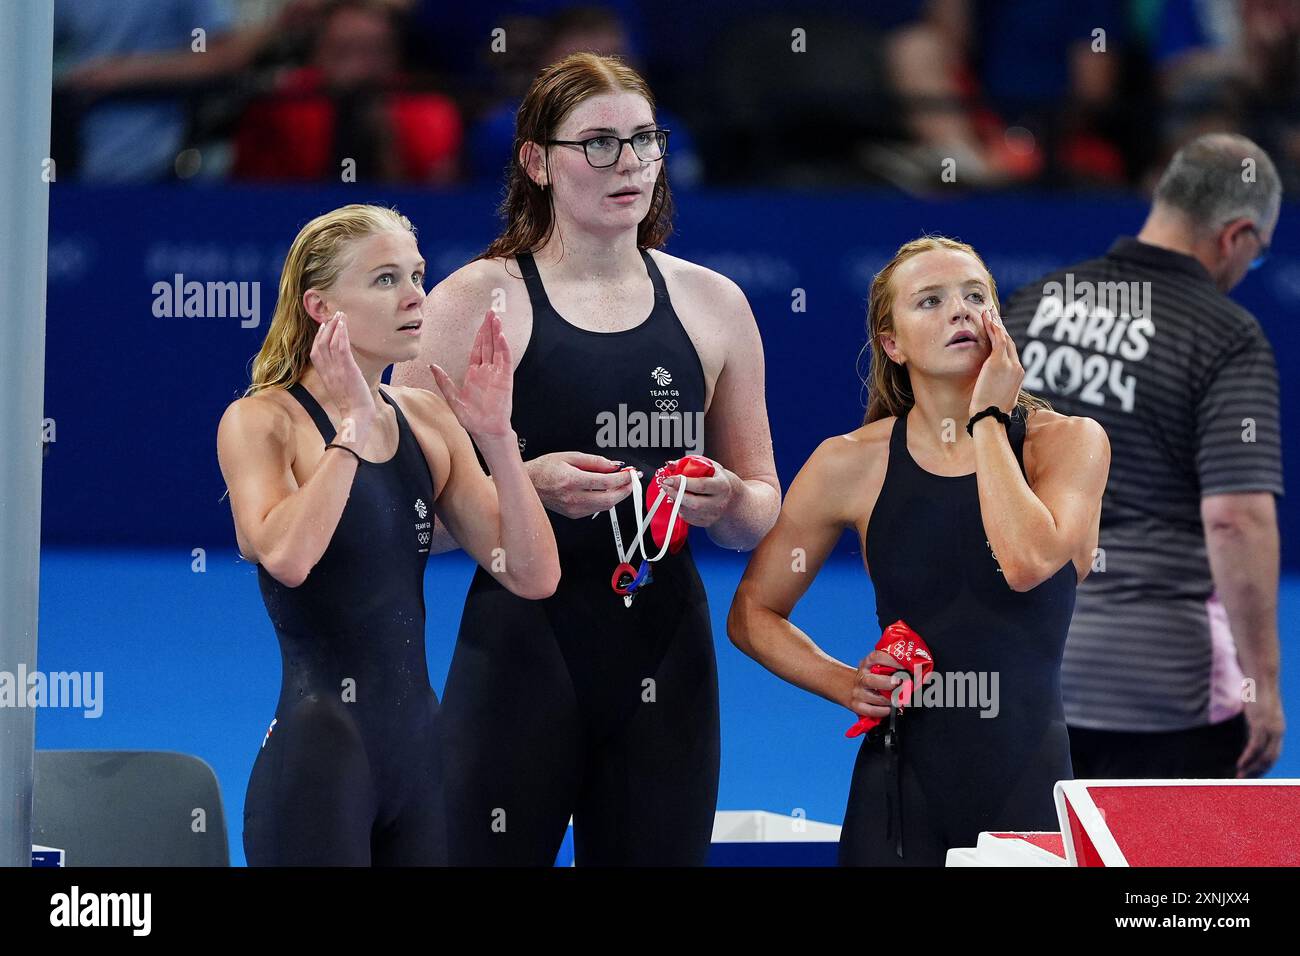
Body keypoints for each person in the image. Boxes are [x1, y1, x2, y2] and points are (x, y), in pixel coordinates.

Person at [392, 52, 780, 865]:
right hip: (518, 658)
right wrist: (518, 486)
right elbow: (401, 526)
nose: (629, 162)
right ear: (537, 160)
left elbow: (758, 514)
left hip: (667, 663)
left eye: (644, 140)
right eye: (598, 143)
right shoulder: (469, 302)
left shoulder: (715, 304)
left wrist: (728, 498)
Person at [728, 236, 1110, 866]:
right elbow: (752, 613)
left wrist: (988, 420)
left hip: (1029, 788)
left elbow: (1025, 563)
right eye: (930, 301)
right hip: (899, 798)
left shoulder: (1066, 443)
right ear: (892, 344)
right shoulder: (849, 462)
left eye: (974, 297)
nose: (959, 311)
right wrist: (847, 683)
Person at [217, 203, 558, 865]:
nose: (415, 297)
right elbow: (286, 556)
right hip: (320, 761)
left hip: (421, 759)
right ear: (321, 308)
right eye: (385, 280)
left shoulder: (429, 417)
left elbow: (530, 573)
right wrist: (351, 431)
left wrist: (497, 440)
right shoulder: (262, 422)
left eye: (417, 275)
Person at [1000, 132, 1286, 780]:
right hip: (1163, 695)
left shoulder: (1031, 304)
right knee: (1166, 885)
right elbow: (1236, 519)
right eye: (1258, 255)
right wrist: (1262, 685)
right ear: (1237, 235)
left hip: (1024, 674)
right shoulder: (1226, 336)